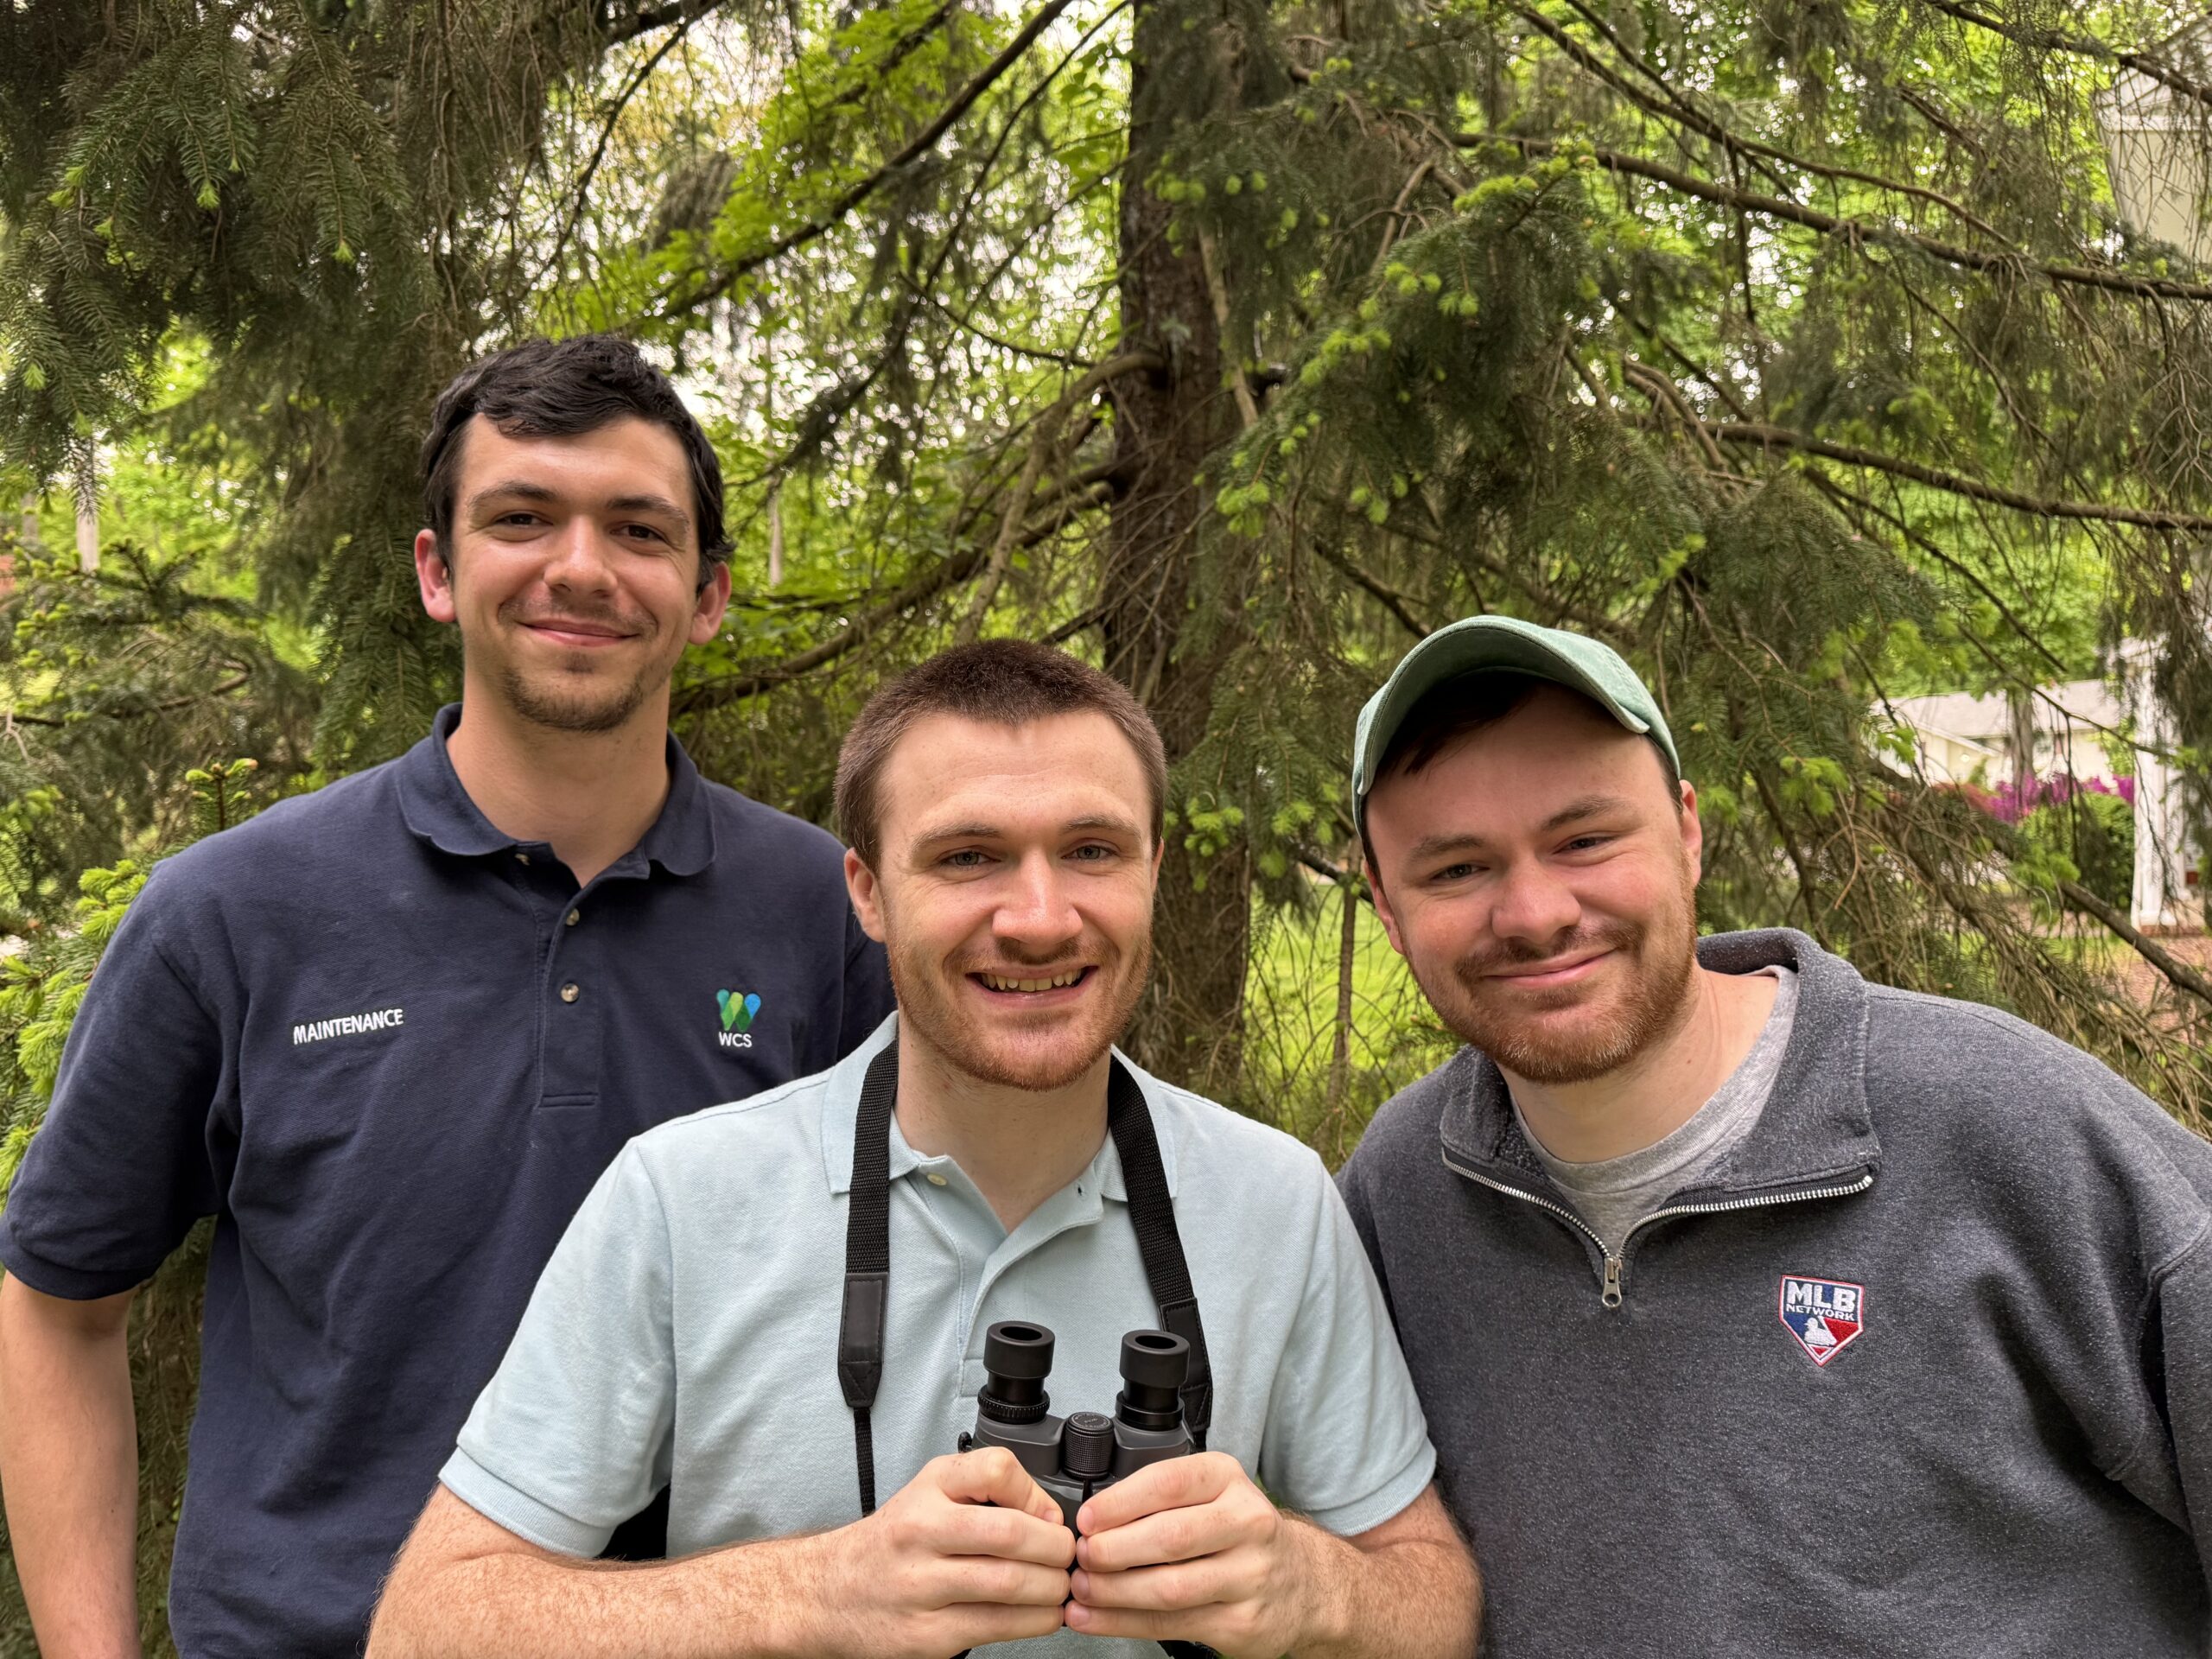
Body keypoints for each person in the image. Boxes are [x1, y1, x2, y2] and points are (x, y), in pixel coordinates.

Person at [0, 334, 893, 1659]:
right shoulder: (234, 913)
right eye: (522, 519)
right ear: (438, 569)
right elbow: (58, 1303)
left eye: (637, 530)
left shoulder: (832, 916)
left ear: (706, 593)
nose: (580, 568)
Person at [365, 639, 1479, 1659]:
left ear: (1150, 874)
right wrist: (811, 1594)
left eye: (1092, 849)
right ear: (868, 893)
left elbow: (1434, 1600)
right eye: (968, 857)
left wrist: (1308, 1590)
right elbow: (426, 1625)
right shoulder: (683, 1197)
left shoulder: (1272, 1197)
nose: (1039, 918)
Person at [1336, 613, 2212, 1655]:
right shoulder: (1397, 1202)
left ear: (1688, 831)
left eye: (1583, 840)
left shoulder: (2010, 1130)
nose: (1531, 912)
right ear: (1387, 910)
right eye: (1456, 871)